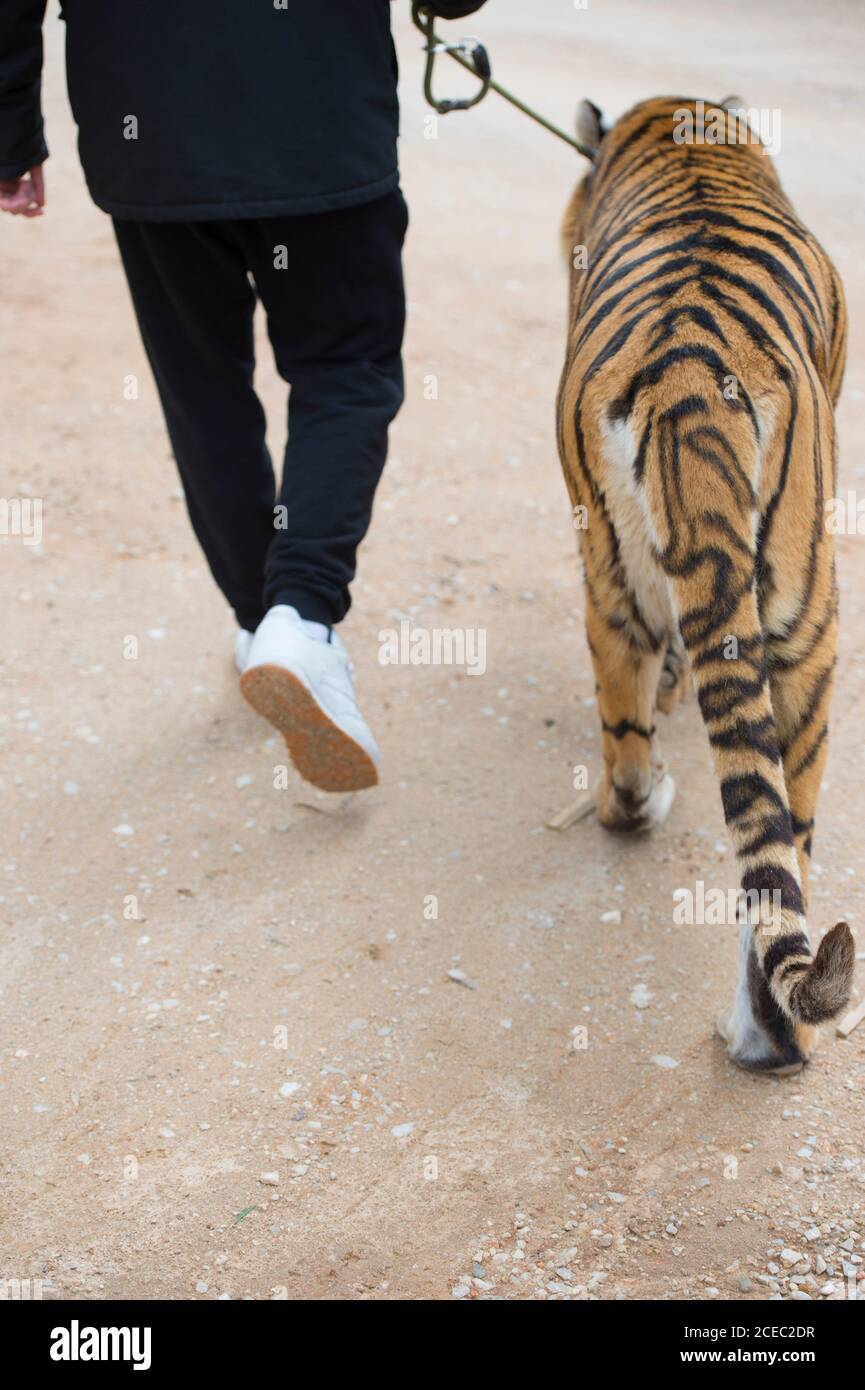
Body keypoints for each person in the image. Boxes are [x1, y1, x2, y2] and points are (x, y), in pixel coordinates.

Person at [0, 0, 488, 792]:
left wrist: (11, 132)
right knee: (344, 371)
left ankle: (261, 619)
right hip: (319, 121)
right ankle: (298, 615)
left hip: (149, 129)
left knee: (202, 389)